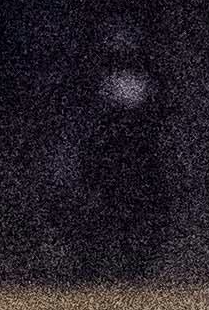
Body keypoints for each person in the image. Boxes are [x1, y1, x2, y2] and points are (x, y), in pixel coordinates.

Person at [39, 18, 176, 281]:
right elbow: (85, 121)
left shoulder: (149, 81)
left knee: (143, 214)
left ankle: (134, 270)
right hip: (107, 156)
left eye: (127, 50)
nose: (122, 54)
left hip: (137, 156)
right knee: (95, 212)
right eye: (116, 50)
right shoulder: (91, 81)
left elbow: (158, 120)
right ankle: (88, 269)